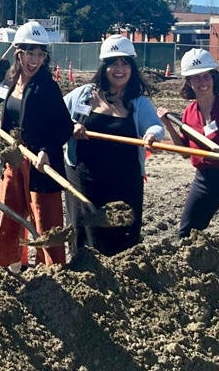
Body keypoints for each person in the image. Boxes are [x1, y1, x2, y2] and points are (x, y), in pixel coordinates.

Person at [63, 35, 163, 256]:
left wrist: (151, 136)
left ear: (132, 67)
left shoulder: (138, 102)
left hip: (125, 183)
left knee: (121, 236)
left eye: (125, 63)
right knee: (87, 236)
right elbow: (57, 116)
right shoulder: (84, 95)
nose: (119, 69)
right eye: (114, 63)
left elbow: (154, 126)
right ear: (104, 66)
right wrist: (70, 126)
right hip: (85, 180)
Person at [0, 21, 72, 268]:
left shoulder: (47, 87)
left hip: (40, 164)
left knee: (45, 221)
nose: (35, 60)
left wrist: (46, 151)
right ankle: (12, 265)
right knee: (11, 215)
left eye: (40, 54)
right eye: (30, 53)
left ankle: (52, 269)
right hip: (15, 159)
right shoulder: (10, 80)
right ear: (19, 53)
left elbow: (64, 127)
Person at [159, 48, 219, 239]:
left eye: (206, 76)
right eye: (196, 78)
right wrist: (168, 125)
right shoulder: (189, 113)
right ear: (188, 82)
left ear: (214, 78)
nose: (202, 82)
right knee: (185, 235)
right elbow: (185, 152)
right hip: (204, 180)